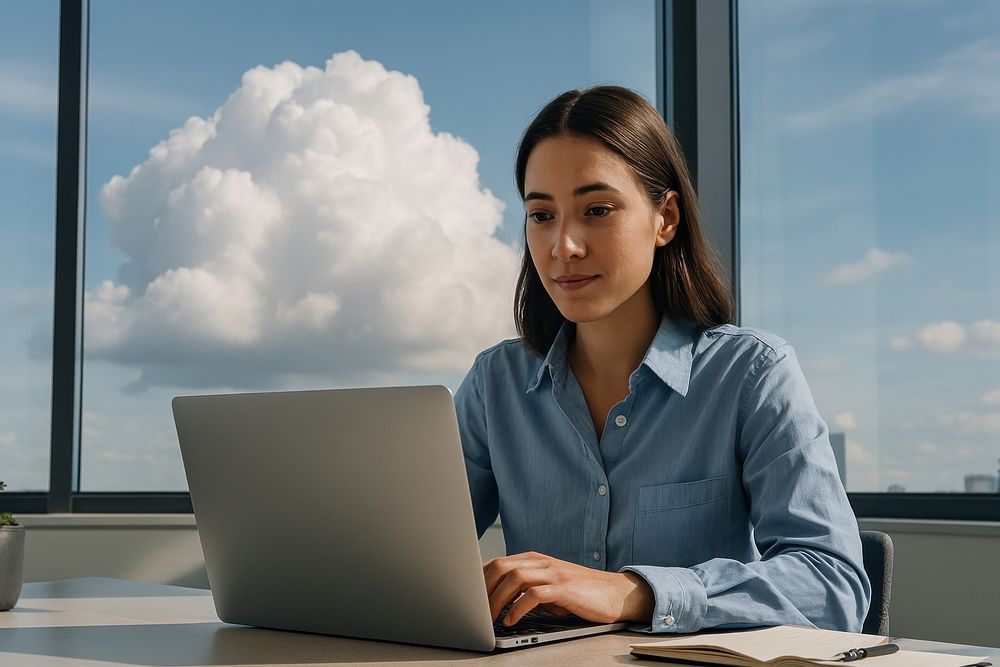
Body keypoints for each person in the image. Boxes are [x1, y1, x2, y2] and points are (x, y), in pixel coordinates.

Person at [454, 85, 870, 635]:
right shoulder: (495, 383)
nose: (564, 246)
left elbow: (833, 585)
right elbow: (413, 557)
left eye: (596, 209)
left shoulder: (752, 374)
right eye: (541, 214)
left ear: (665, 218)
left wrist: (633, 592)